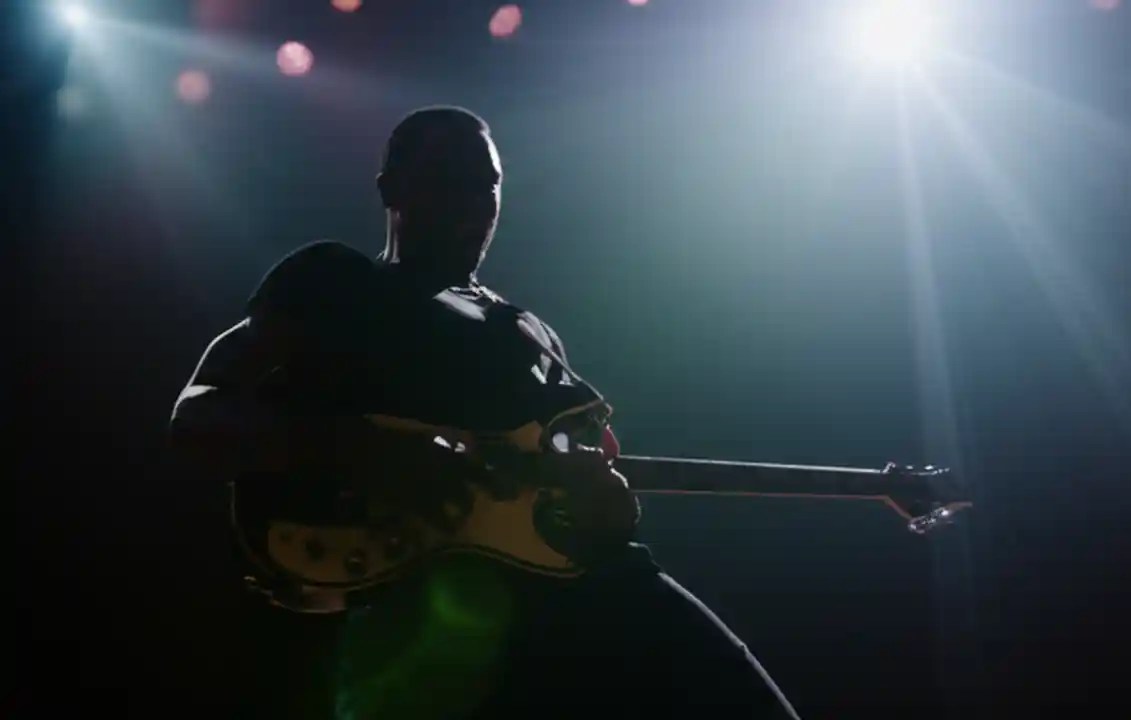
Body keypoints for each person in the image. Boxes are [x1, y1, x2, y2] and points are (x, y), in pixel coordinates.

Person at [170, 105, 800, 719]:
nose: (473, 203)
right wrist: (363, 448)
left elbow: (567, 480)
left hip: (576, 597)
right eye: (450, 180)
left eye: (487, 185)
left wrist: (602, 508)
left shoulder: (529, 331)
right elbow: (197, 414)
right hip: (416, 620)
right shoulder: (337, 283)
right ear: (390, 188)